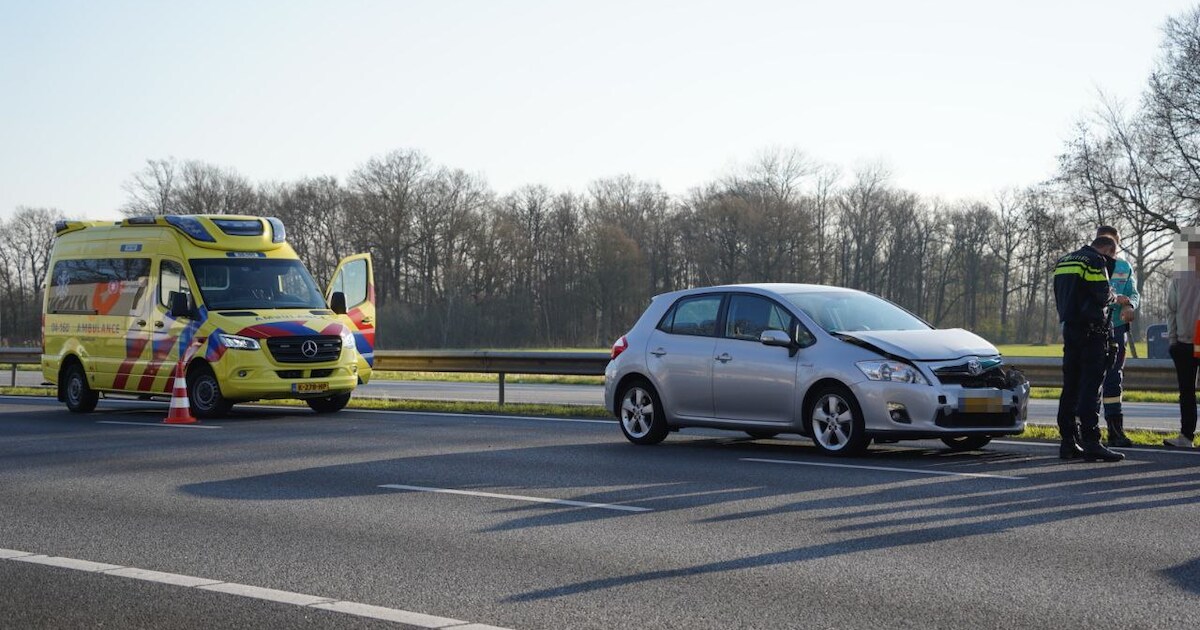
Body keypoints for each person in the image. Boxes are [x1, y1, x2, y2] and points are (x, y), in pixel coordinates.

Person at [1053, 235, 1130, 462]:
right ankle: (1092, 442)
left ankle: (1068, 442)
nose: (1112, 260)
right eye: (1113, 256)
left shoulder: (1065, 260)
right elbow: (1101, 294)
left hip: (1071, 330)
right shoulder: (1095, 261)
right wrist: (1116, 297)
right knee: (1090, 388)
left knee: (1070, 389)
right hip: (1092, 332)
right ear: (1107, 249)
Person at [1096, 226, 1140, 447]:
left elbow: (1133, 291)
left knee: (1114, 379)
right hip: (1094, 329)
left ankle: (1115, 431)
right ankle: (1087, 431)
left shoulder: (1124, 266)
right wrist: (1116, 300)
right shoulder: (1090, 262)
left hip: (1118, 328)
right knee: (1092, 379)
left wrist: (1131, 304)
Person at [1164, 238, 1200, 449]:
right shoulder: (1179, 277)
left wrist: (1173, 339)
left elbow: (1171, 309)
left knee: (1186, 392)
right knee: (1186, 392)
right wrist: (1173, 339)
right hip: (1185, 340)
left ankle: (1186, 437)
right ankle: (1186, 436)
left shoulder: (1179, 276)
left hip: (1187, 340)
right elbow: (1171, 309)